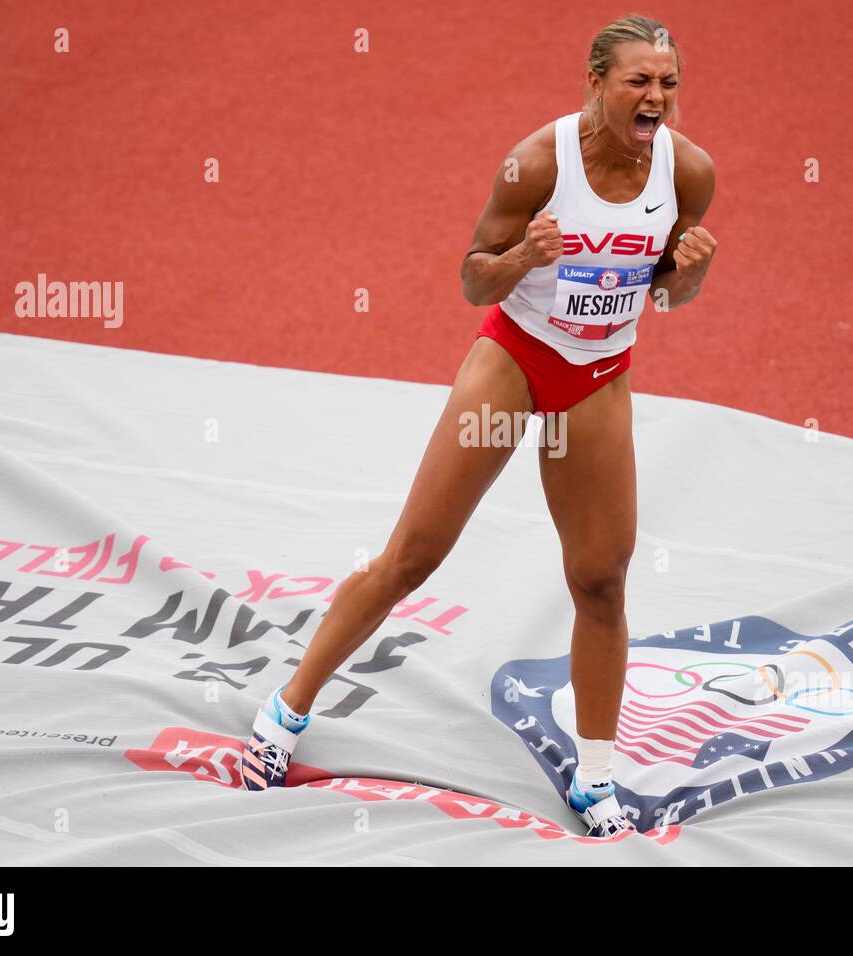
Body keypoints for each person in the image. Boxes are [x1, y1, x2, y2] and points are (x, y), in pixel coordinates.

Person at [240, 14, 717, 839]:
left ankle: (595, 779)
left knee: (601, 581)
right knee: (412, 555)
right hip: (516, 360)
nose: (656, 98)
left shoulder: (691, 173)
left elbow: (661, 294)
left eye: (669, 83)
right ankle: (282, 714)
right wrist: (524, 261)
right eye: (639, 81)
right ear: (596, 83)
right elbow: (472, 282)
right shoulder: (536, 163)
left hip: (599, 377)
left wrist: (692, 281)